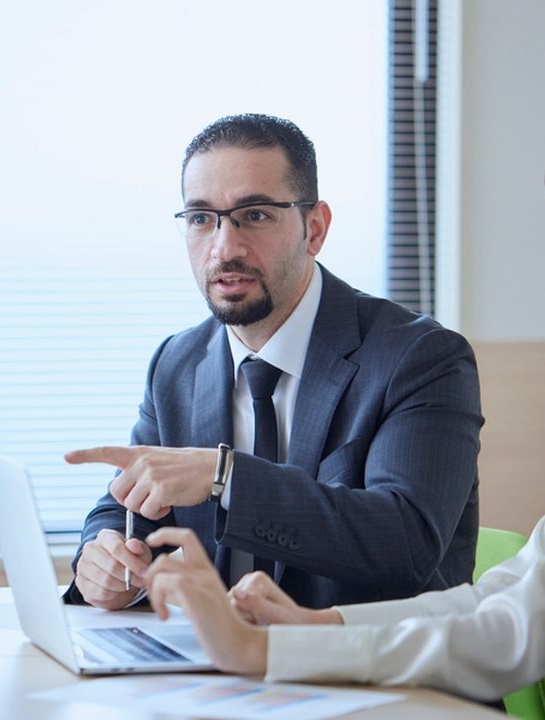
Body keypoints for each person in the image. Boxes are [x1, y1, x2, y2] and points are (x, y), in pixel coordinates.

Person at [142, 86, 545, 719]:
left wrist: (262, 650)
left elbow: (521, 628)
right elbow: (507, 590)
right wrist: (318, 629)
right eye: (200, 218)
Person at [65, 113, 484, 611]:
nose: (224, 248)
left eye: (255, 215)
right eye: (201, 218)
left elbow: (404, 543)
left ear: (314, 228)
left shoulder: (419, 358)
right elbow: (127, 502)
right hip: (223, 673)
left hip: (376, 676)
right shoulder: (176, 364)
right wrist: (106, 559)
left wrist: (226, 477)